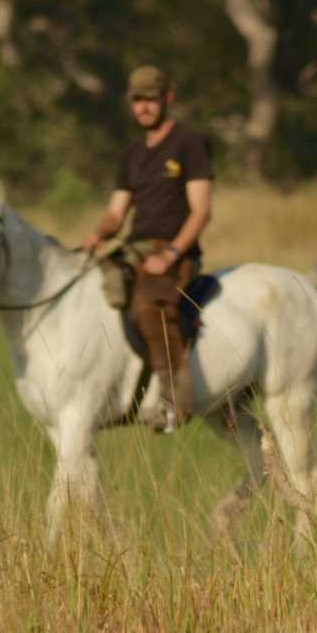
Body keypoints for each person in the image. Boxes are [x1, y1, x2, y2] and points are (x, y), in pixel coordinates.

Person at [82, 65, 214, 433]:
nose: (143, 107)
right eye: (136, 100)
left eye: (150, 99)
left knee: (147, 303)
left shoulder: (188, 143)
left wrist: (171, 255)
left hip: (175, 254)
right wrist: (99, 235)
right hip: (135, 250)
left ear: (167, 99)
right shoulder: (133, 152)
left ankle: (173, 402)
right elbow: (116, 211)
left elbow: (201, 211)